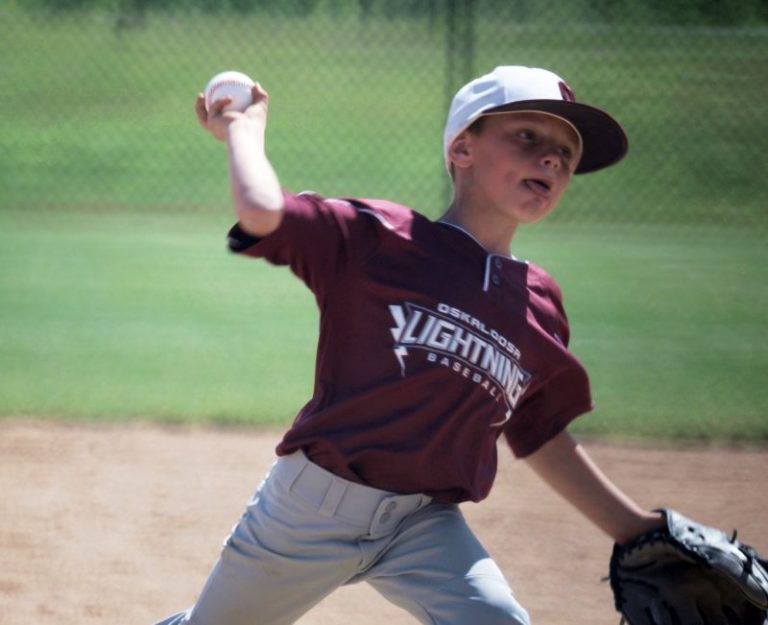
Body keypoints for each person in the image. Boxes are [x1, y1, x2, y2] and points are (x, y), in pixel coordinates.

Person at [155, 65, 665, 625]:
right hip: (315, 509)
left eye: (567, 153)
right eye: (528, 136)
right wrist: (242, 128)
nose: (552, 159)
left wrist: (635, 528)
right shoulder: (382, 240)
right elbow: (260, 210)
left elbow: (536, 428)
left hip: (424, 524)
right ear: (462, 149)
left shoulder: (539, 302)